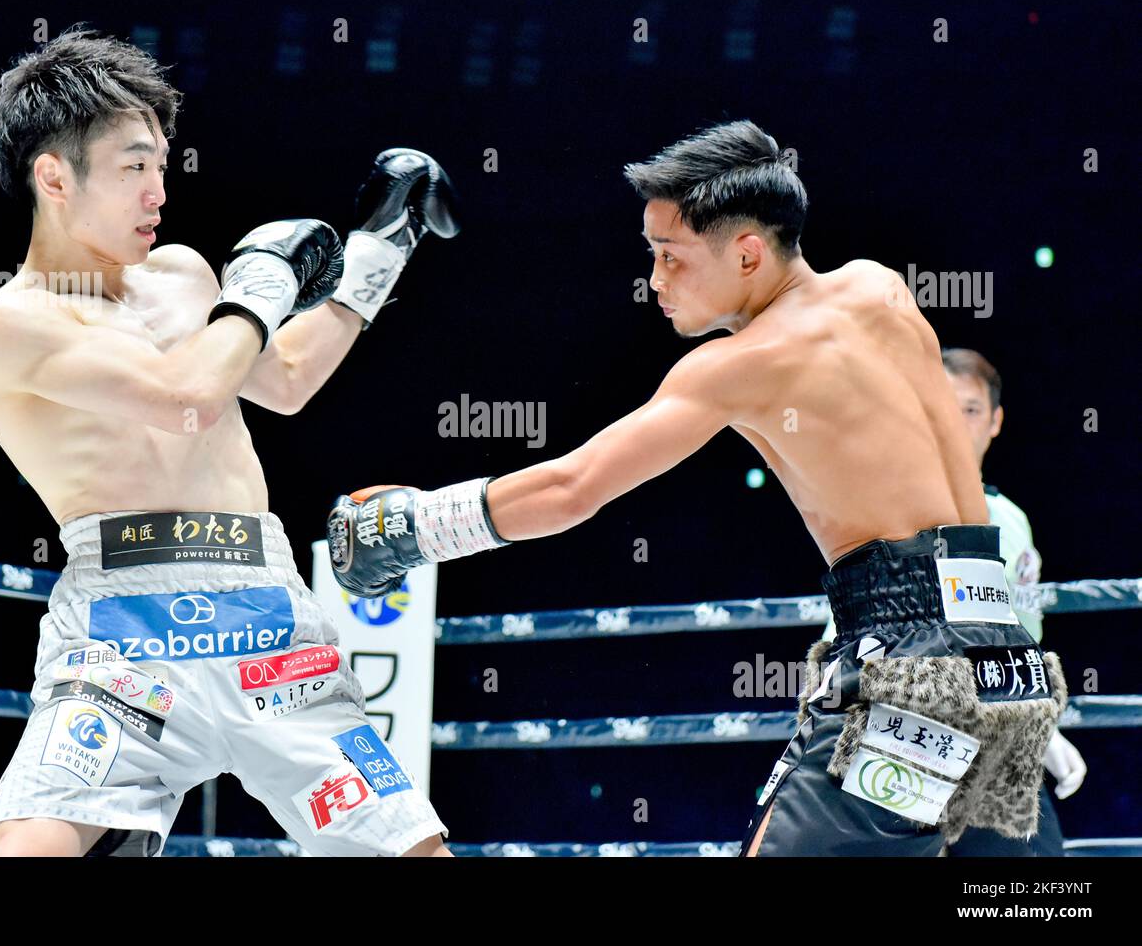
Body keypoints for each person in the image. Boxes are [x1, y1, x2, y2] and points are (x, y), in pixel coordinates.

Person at [326, 120, 1066, 856]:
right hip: (1004, 655)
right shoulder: (881, 289)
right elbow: (957, 474)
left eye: (671, 256)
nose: (655, 280)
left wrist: (417, 524)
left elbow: (575, 486)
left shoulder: (741, 364)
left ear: (747, 251)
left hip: (909, 666)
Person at [0, 27, 457, 856]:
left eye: (161, 163)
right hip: (122, 631)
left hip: (266, 611)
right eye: (133, 167)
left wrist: (379, 249)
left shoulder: (186, 275)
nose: (160, 189)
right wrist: (263, 287)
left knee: (412, 849)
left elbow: (287, 378)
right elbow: (186, 400)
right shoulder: (13, 322)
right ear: (54, 175)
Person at [932, 347, 1085, 855]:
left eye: (970, 409)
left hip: (999, 736)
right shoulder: (884, 506)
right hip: (909, 729)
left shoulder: (1010, 518)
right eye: (943, 405)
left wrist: (1041, 728)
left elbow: (1022, 641)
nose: (956, 423)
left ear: (995, 421)